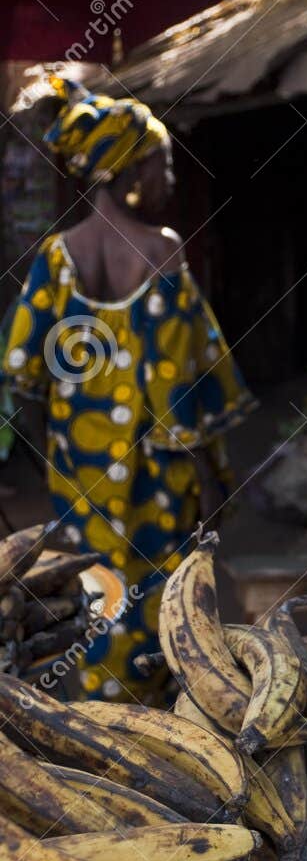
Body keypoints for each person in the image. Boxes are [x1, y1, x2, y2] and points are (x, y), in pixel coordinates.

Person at [2, 75, 255, 700]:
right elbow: (181, 381)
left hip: (77, 467)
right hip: (158, 475)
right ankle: (158, 728)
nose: (170, 179)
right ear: (131, 172)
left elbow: (22, 371)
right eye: (163, 164)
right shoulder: (164, 255)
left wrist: (57, 454)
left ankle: (93, 716)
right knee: (164, 607)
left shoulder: (56, 259)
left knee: (92, 592)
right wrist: (213, 474)